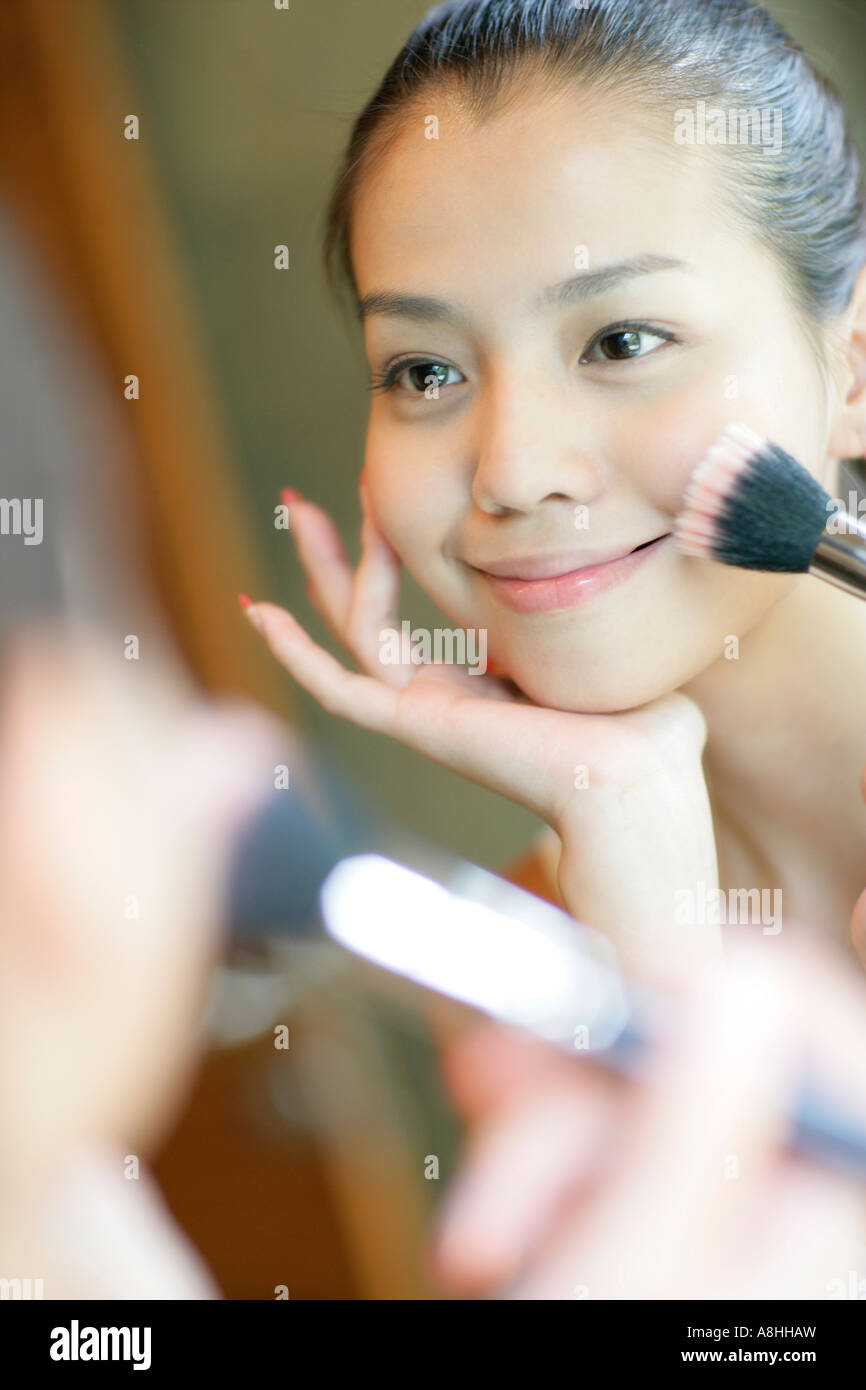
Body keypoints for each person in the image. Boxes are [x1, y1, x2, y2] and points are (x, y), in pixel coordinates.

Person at [239, 0, 866, 982]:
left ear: (855, 369)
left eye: (620, 342)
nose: (512, 472)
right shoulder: (525, 957)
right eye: (424, 371)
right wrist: (643, 911)